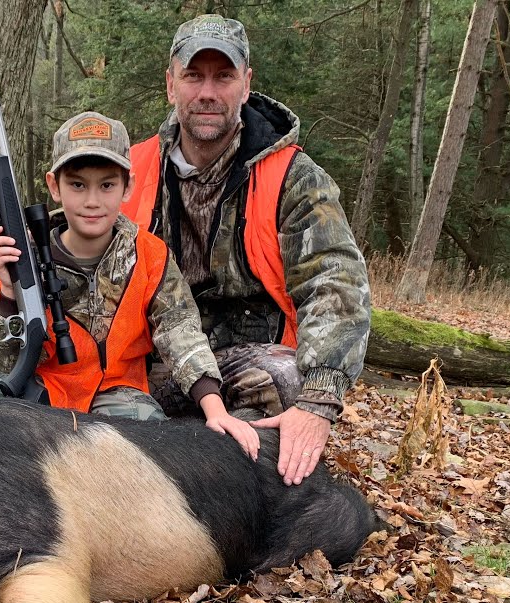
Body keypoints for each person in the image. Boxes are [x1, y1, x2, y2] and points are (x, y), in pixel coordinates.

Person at [120, 14, 372, 486]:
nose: (207, 93)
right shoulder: (129, 171)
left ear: (247, 83)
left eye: (224, 76)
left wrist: (318, 402)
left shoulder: (294, 177)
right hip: (151, 362)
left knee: (286, 382)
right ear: (170, 84)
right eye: (194, 76)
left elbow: (336, 284)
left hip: (247, 364)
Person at [0, 111, 259, 458]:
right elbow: (1, 359)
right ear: (54, 186)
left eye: (107, 185)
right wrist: (7, 292)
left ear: (128, 187)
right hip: (41, 390)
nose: (92, 201)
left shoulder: (150, 255)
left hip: (119, 396)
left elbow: (181, 333)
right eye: (78, 185)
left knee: (150, 456)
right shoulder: (23, 258)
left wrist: (215, 410)